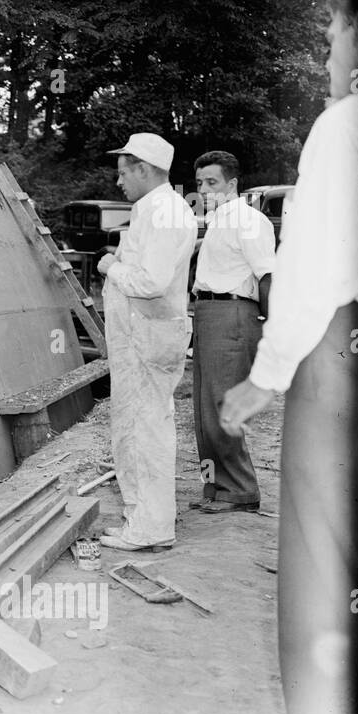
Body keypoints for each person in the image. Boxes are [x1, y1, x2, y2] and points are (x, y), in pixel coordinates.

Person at [217, 0, 358, 714]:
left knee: (323, 558)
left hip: (342, 351)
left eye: (329, 33)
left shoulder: (348, 126)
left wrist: (261, 382)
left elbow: (309, 273)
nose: (324, 52)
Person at [95, 133, 198, 551]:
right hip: (140, 334)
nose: (118, 181)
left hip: (148, 334)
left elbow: (151, 283)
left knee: (146, 428)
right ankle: (143, 513)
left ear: (144, 168)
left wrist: (110, 269)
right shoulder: (151, 210)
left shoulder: (166, 213)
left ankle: (152, 527)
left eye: (123, 172)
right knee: (135, 424)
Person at [187, 150, 275, 514]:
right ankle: (219, 486)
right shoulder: (217, 221)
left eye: (213, 182)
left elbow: (267, 275)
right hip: (208, 312)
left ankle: (241, 489)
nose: (204, 190)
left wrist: (273, 326)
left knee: (224, 403)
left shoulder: (249, 220)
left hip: (234, 313)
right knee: (205, 408)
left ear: (232, 184)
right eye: (199, 184)